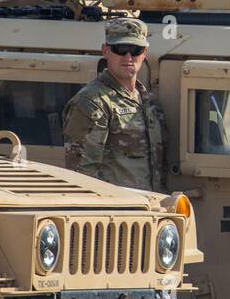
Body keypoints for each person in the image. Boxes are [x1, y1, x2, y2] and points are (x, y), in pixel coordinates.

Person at [61, 17, 168, 191]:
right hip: (114, 211)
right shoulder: (92, 102)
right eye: (120, 48)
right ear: (105, 51)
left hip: (148, 208)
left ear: (145, 53)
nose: (128, 57)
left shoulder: (149, 102)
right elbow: (82, 175)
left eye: (135, 50)